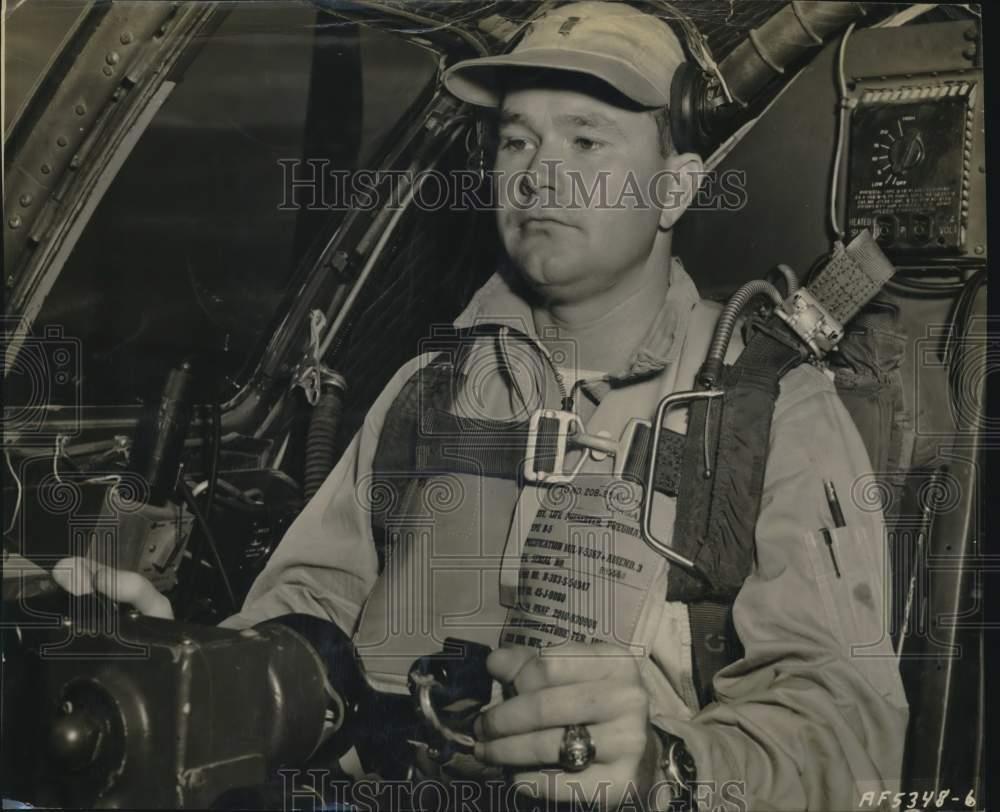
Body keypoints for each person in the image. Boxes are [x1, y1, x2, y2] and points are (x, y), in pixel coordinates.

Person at [59, 3, 909, 809]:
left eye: (586, 139)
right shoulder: (427, 388)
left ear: (676, 190)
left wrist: (669, 770)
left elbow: (847, 732)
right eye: (516, 140)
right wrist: (192, 672)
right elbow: (304, 622)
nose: (541, 174)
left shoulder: (768, 413)